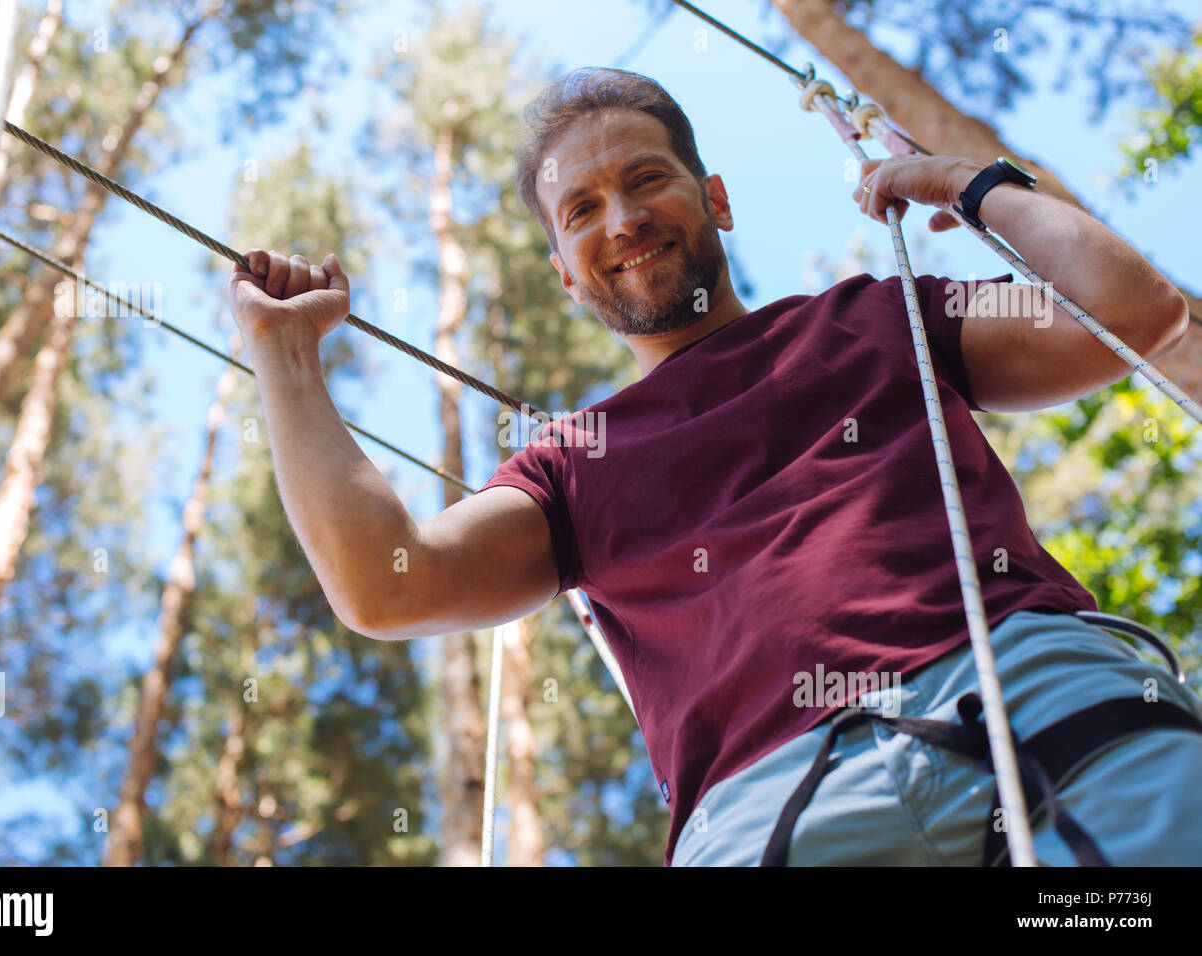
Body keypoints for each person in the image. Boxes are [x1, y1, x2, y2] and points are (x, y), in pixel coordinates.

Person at [227, 67, 1200, 866]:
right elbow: (384, 582)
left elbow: (1131, 311)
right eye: (581, 208)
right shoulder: (566, 463)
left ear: (714, 198)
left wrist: (969, 186)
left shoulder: (874, 315)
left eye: (646, 179)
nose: (621, 218)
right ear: (566, 272)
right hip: (766, 801)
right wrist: (282, 352)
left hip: (1034, 697)